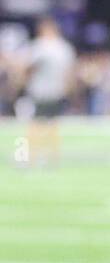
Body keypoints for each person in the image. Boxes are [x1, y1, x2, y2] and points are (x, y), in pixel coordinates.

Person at [16, 17, 77, 168]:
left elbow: (27, 68)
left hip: (39, 91)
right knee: (53, 125)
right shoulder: (64, 47)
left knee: (34, 124)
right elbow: (69, 73)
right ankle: (53, 158)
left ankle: (29, 158)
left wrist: (20, 82)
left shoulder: (39, 46)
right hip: (57, 91)